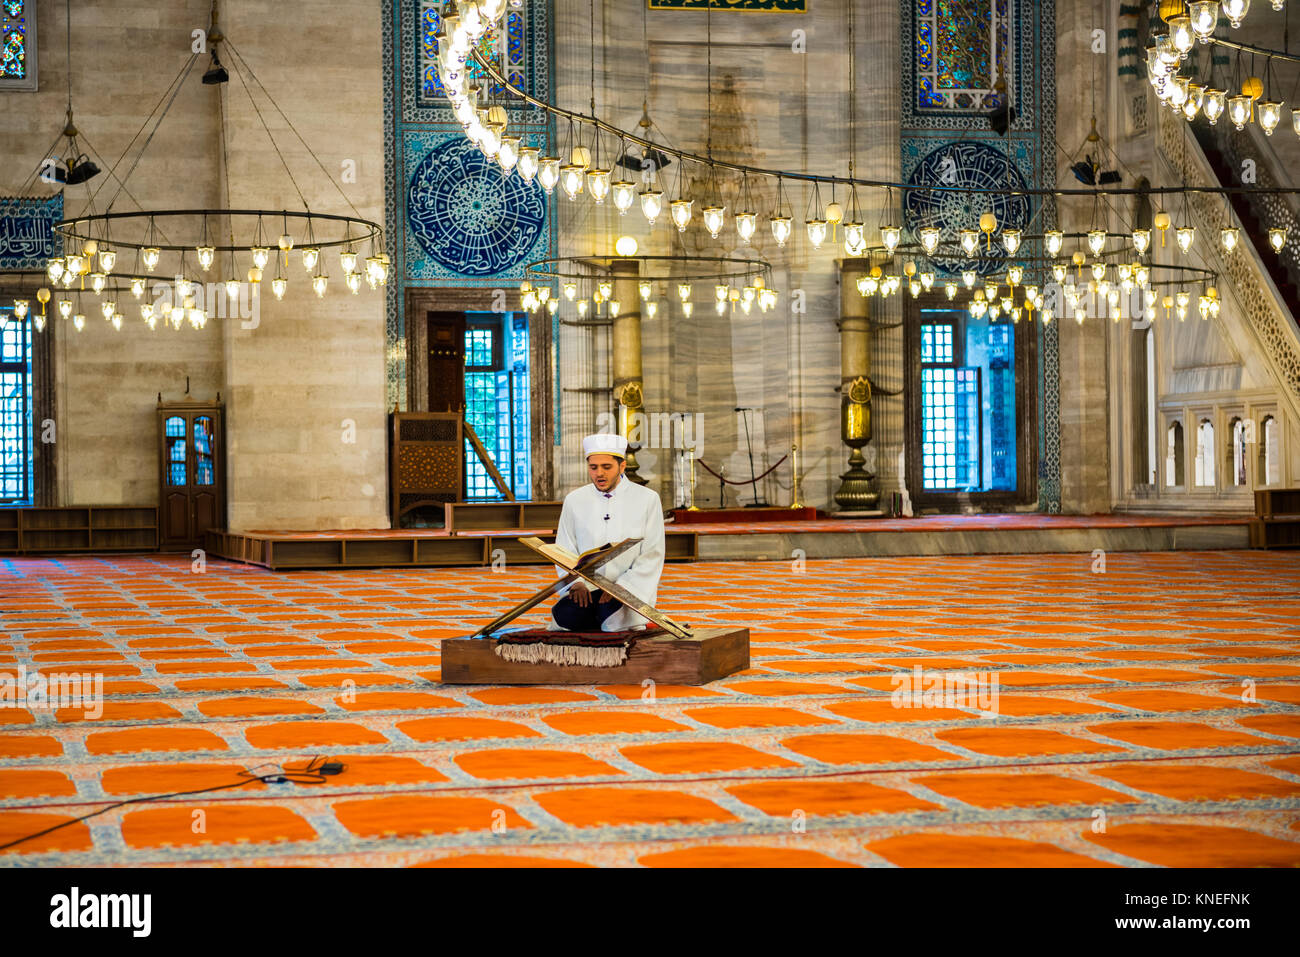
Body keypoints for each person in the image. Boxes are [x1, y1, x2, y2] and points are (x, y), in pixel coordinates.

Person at [549, 433, 666, 632]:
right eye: (593, 467)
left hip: (627, 589)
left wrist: (623, 587)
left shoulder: (647, 499)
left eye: (606, 467)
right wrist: (576, 583)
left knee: (611, 620)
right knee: (566, 616)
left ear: (622, 466)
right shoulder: (574, 500)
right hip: (585, 588)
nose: (599, 474)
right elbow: (564, 547)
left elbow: (652, 553)